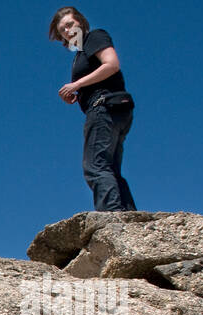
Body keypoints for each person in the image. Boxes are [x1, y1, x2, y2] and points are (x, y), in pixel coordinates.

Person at [50, 7, 136, 211]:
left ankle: (112, 218)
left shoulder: (94, 37)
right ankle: (130, 219)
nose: (67, 31)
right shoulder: (81, 52)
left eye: (70, 25)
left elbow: (112, 64)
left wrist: (77, 85)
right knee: (109, 169)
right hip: (113, 106)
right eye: (63, 30)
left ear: (80, 21)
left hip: (103, 107)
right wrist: (78, 94)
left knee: (95, 167)